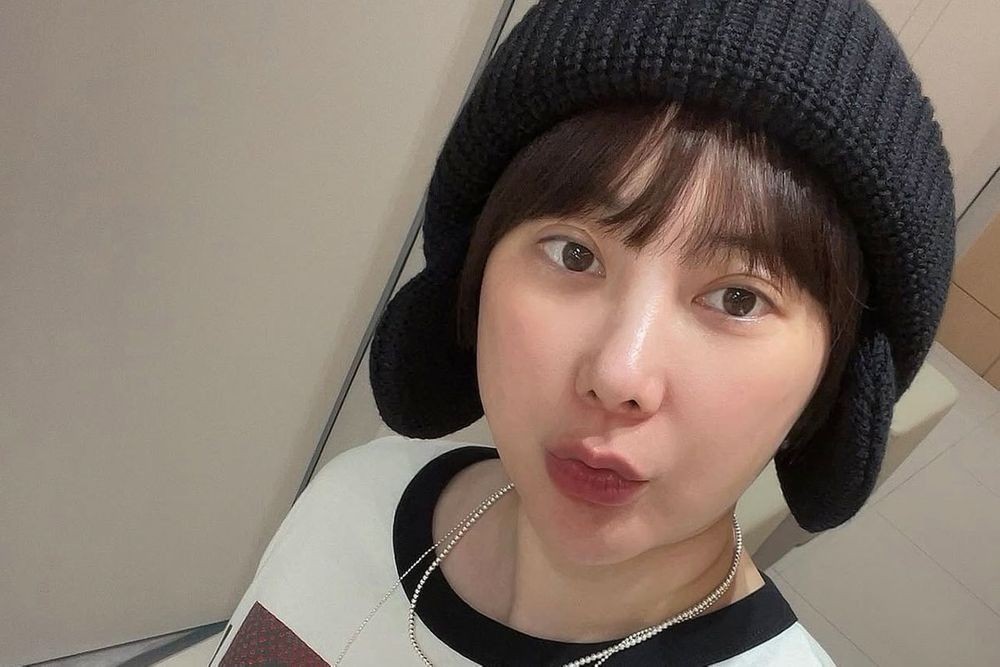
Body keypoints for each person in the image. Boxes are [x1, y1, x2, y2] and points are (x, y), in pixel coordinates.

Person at [211, 1, 955, 665]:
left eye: (737, 298)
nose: (618, 374)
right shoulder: (354, 500)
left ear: (833, 384)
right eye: (574, 254)